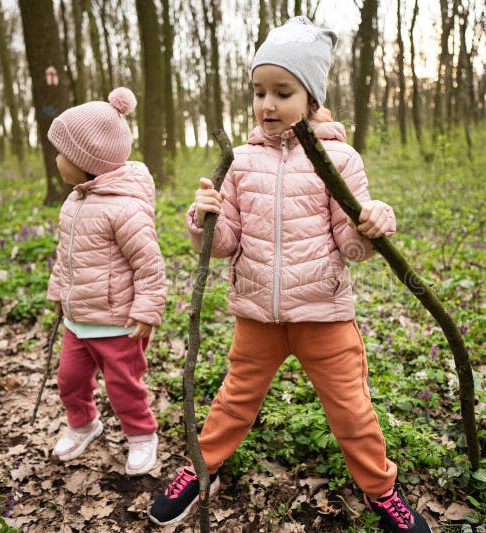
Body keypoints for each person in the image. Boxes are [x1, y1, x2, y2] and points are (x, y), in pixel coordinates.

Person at [148, 17, 431, 533]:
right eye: (259, 92)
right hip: (257, 313)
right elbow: (226, 243)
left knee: (351, 409)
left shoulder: (337, 159)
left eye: (283, 91)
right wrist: (205, 217)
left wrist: (371, 223)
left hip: (323, 313)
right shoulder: (239, 160)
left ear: (312, 98)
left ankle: (381, 491)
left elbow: (351, 244)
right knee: (234, 399)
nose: (268, 105)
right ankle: (200, 469)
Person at [45, 87, 166, 476]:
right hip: (78, 320)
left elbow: (149, 264)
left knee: (124, 386)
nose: (57, 160)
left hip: (118, 324)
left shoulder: (124, 208)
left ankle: (142, 435)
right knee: (70, 379)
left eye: (63, 154)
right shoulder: (74, 202)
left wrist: (147, 309)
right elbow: (67, 255)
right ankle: (83, 424)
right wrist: (59, 293)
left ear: (86, 162)